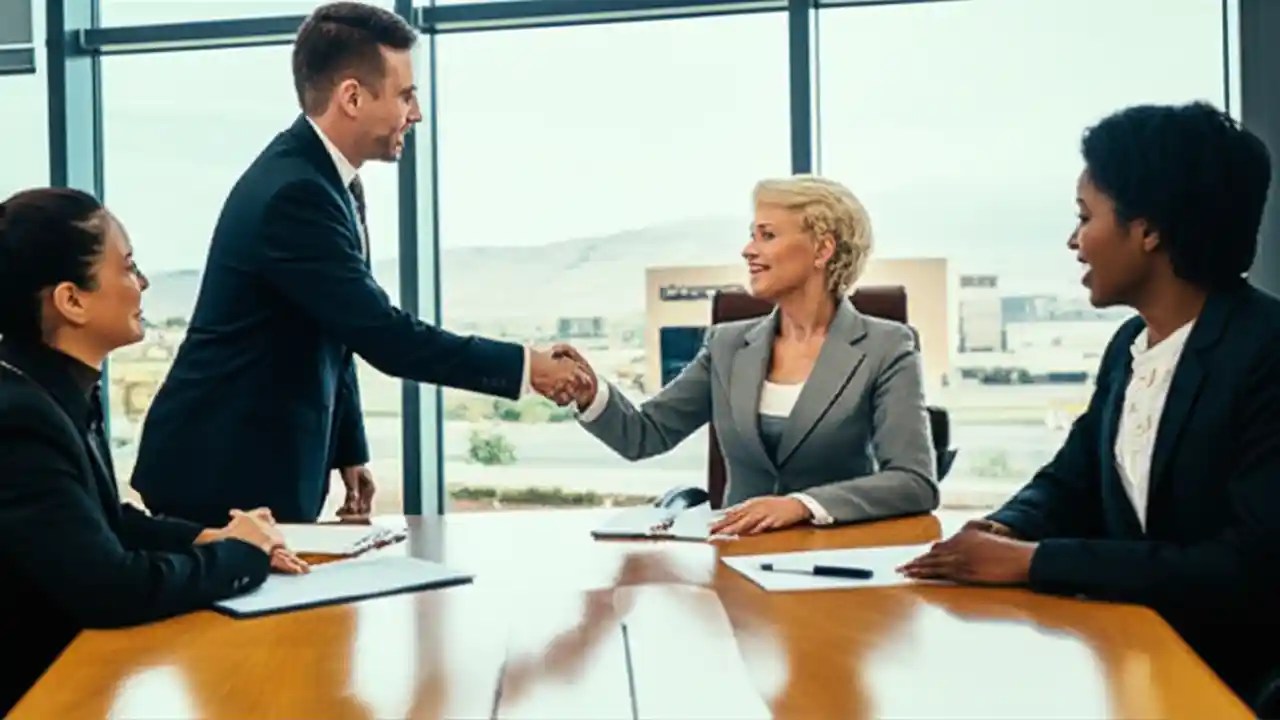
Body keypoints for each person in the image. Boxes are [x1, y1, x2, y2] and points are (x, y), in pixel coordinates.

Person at [130, 2, 585, 525]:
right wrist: (529, 369)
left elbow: (336, 328)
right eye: (405, 95)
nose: (415, 113)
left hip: (254, 467)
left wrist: (348, 446)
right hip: (218, 473)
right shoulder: (297, 194)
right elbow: (383, 335)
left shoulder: (330, 182)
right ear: (351, 96)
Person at [899, 101, 1280, 711]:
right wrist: (1009, 525)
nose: (1074, 242)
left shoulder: (1266, 352)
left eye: (1085, 217)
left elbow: (1246, 569)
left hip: (1224, 683)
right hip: (1126, 661)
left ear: (1149, 229)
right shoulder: (1130, 345)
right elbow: (1071, 479)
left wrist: (1035, 561)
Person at [0, 187, 308, 716]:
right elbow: (110, 586)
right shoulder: (20, 418)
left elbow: (102, 523)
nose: (143, 284)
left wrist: (209, 536)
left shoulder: (47, 391)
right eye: (129, 267)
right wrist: (241, 557)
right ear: (72, 299)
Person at [558, 175, 939, 535]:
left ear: (823, 249)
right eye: (751, 235)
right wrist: (590, 394)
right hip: (738, 565)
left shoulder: (886, 347)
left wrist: (802, 505)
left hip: (838, 562)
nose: (748, 250)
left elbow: (913, 481)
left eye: (767, 235)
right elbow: (643, 435)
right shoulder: (726, 346)